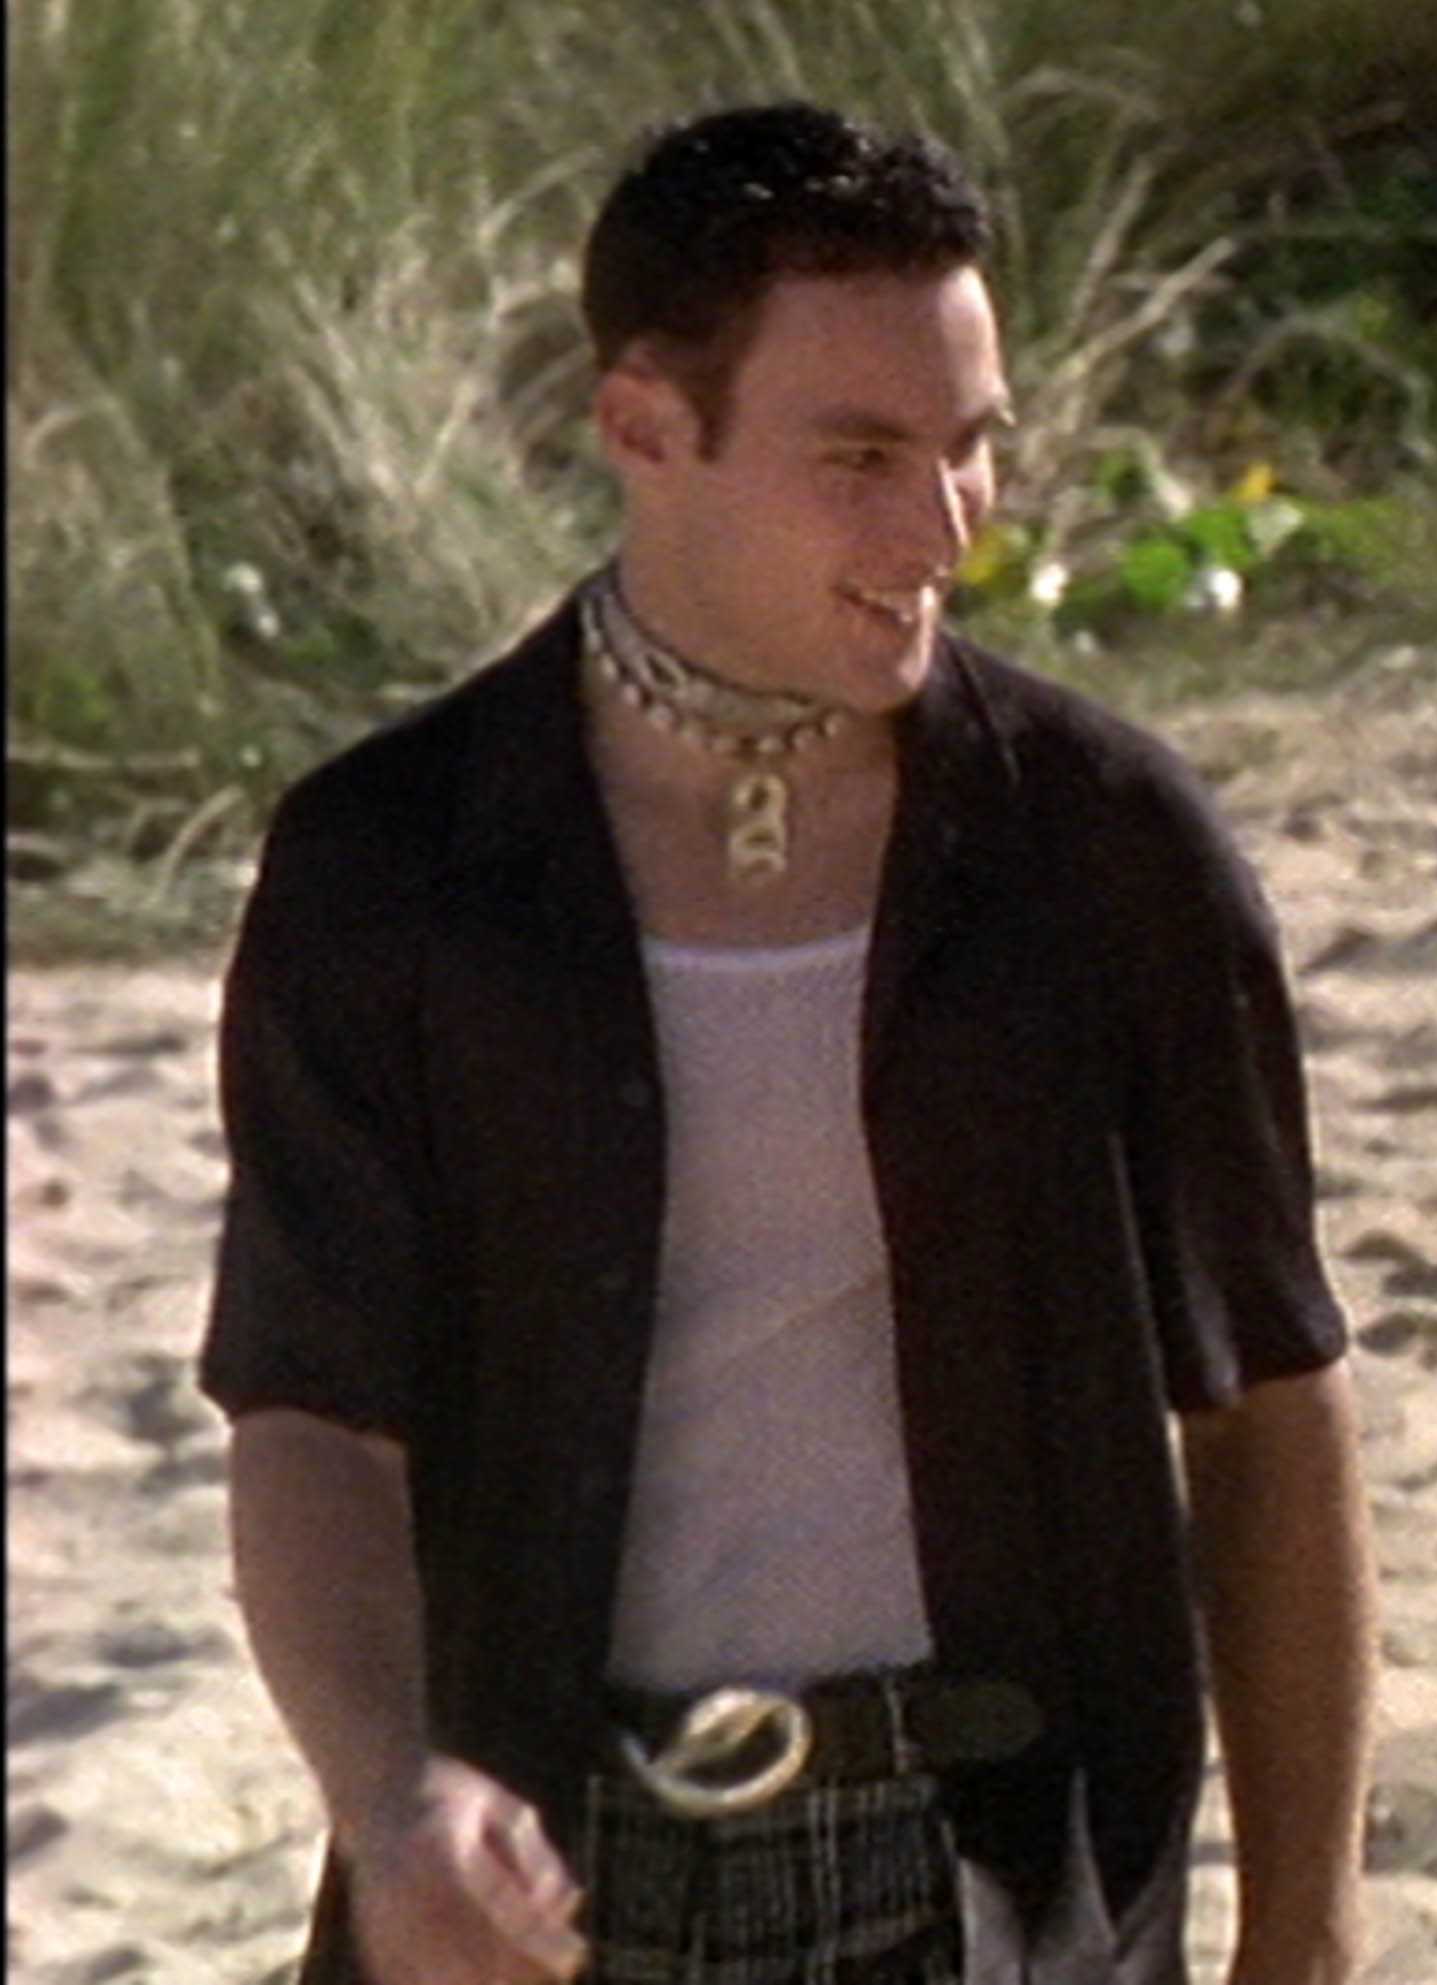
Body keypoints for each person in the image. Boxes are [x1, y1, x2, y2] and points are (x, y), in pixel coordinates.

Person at [202, 101, 1375, 1985]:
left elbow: (1269, 1402)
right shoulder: (390, 866)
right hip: (536, 1884)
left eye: (970, 443)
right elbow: (308, 1415)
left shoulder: (1105, 849)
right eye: (861, 457)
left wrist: (1305, 1934)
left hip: (989, 1887)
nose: (948, 524)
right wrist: (389, 1798)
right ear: (643, 428)